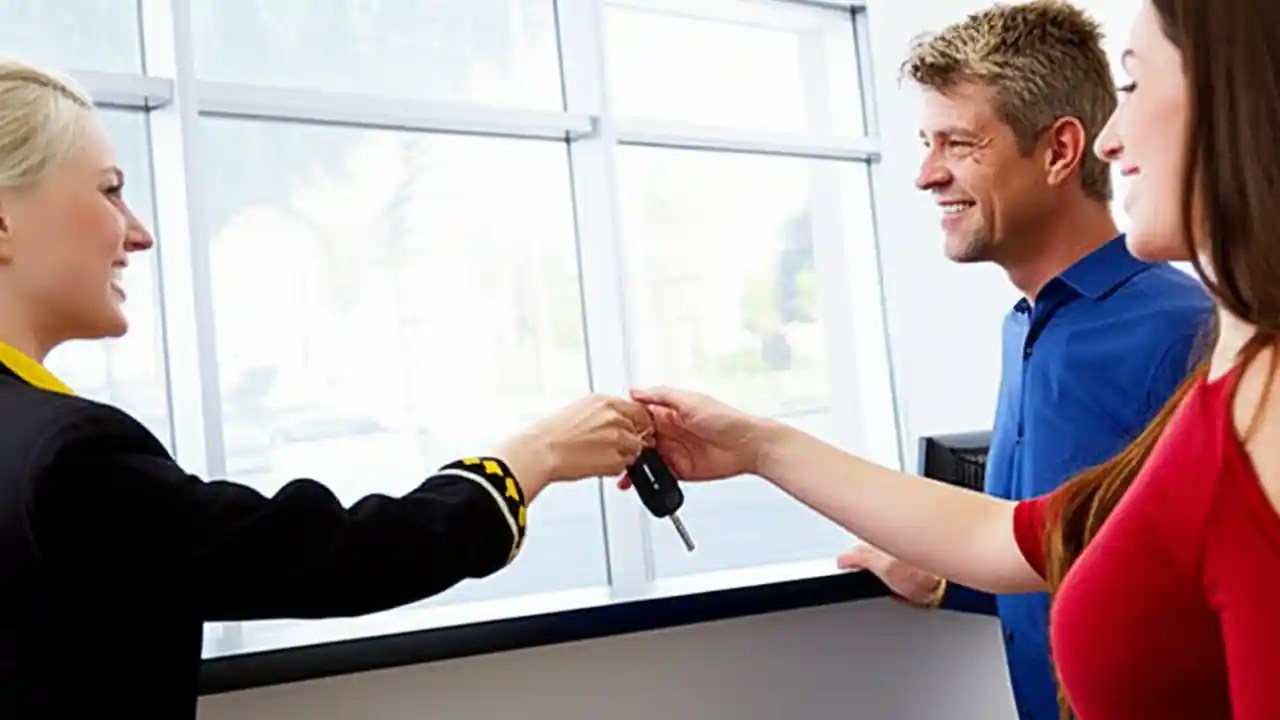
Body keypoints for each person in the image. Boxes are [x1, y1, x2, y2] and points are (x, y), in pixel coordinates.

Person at [626, 0, 1280, 715]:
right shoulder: (1043, 335)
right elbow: (1026, 540)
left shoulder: (1185, 339)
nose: (1111, 139)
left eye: (1136, 83)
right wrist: (758, 446)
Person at [0, 59, 653, 718]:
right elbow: (325, 557)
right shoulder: (65, 458)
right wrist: (532, 458)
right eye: (109, 191)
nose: (138, 234)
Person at [832, 3, 1212, 718]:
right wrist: (946, 581)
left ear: (1060, 151)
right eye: (927, 143)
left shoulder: (1183, 330)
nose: (926, 175)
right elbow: (1058, 554)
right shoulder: (1027, 327)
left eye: (959, 143)